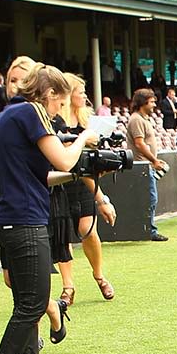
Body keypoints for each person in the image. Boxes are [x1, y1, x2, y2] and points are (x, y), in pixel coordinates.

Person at [0, 63, 99, 354]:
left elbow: (42, 175)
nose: (58, 113)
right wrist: (85, 137)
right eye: (59, 103)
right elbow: (66, 161)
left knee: (27, 300)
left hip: (16, 216)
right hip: (23, 220)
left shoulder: (9, 116)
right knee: (32, 302)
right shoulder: (30, 112)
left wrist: (73, 174)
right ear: (49, 94)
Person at [50, 74, 118, 306]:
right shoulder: (55, 121)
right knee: (63, 234)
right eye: (80, 91)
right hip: (60, 181)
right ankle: (68, 286)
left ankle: (99, 275)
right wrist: (103, 199)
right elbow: (68, 160)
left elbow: (89, 162)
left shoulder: (87, 119)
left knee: (87, 229)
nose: (84, 96)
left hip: (84, 181)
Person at [125, 88, 169, 241]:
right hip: (141, 166)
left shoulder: (143, 119)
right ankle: (149, 231)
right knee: (150, 199)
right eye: (151, 102)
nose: (154, 105)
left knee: (149, 199)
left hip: (145, 165)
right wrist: (153, 160)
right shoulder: (136, 119)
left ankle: (145, 229)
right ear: (142, 103)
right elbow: (139, 144)